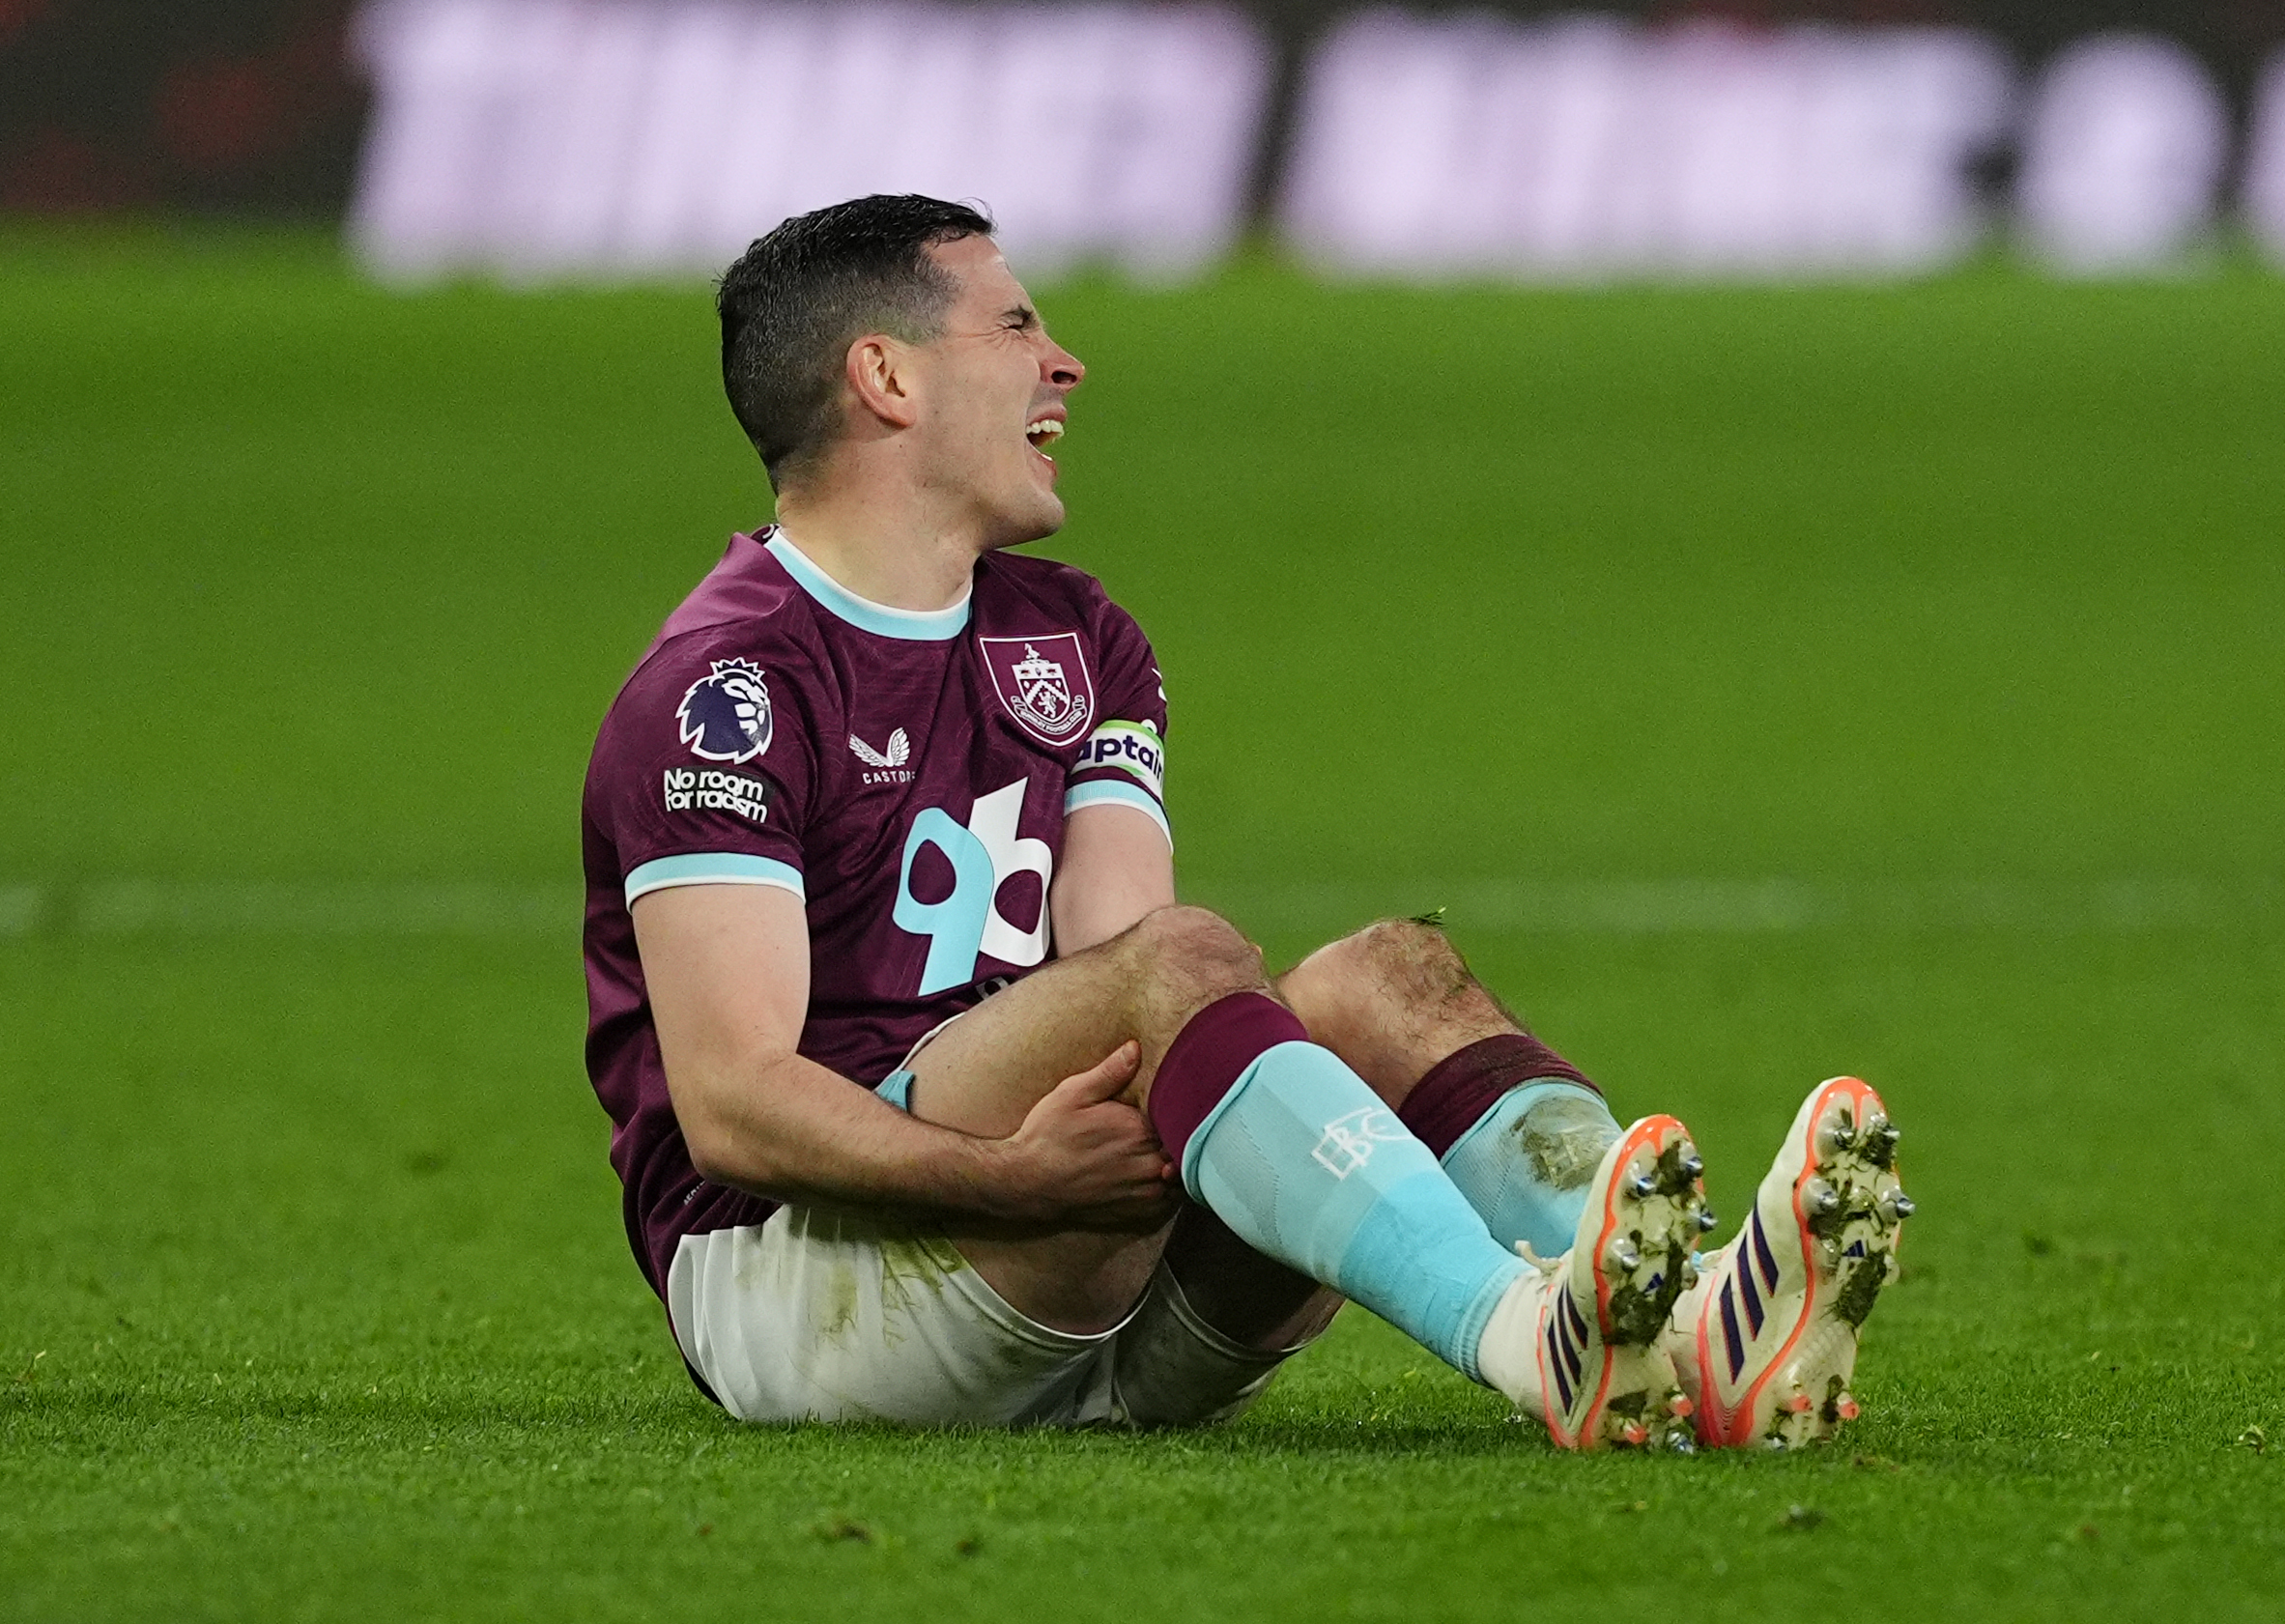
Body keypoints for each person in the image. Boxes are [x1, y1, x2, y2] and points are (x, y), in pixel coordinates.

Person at [580, 193, 1911, 1448]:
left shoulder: (1076, 635)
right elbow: (735, 1110)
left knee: (1386, 973)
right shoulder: (727, 688)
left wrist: (1104, 1153)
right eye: (1014, 324)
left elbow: (1126, 965)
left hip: (1088, 1262)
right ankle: (1526, 1335)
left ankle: (1696, 1333)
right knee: (1183, 967)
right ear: (885, 377)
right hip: (808, 1287)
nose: (1065, 363)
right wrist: (1015, 1184)